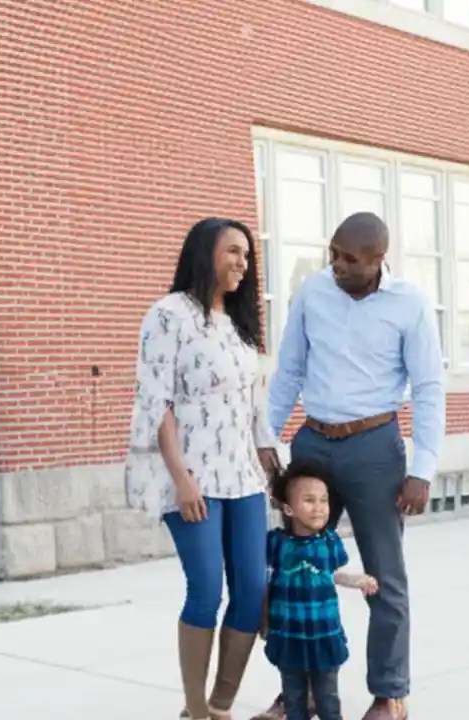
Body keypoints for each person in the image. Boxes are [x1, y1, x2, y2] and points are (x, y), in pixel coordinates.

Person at [255, 212, 446, 720]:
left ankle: (389, 694)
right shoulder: (312, 293)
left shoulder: (409, 304)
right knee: (297, 570)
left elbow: (428, 388)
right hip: (314, 442)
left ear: (379, 260)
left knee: (384, 577)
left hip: (375, 448)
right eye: (333, 253)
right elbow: (289, 368)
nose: (337, 264)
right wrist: (266, 436)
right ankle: (303, 691)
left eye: (350, 258)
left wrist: (422, 467)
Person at [124, 217, 282, 720]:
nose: (243, 263)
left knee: (253, 590)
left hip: (243, 479)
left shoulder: (239, 325)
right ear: (205, 252)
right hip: (191, 479)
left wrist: (271, 465)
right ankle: (194, 710)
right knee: (207, 587)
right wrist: (181, 478)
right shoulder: (168, 315)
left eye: (247, 255)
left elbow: (253, 406)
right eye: (233, 251)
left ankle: (217, 706)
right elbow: (156, 402)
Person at [263, 459, 378, 720]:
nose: (319, 508)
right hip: (288, 634)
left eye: (323, 500)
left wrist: (358, 580)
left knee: (327, 697)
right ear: (288, 509)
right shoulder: (277, 543)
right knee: (293, 697)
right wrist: (264, 618)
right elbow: (266, 580)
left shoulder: (329, 542)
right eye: (309, 500)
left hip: (323, 632)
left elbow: (331, 574)